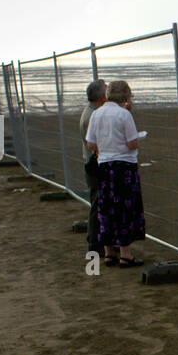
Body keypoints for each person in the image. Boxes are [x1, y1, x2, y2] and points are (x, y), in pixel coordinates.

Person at [84, 80, 145, 267]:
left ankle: (109, 252)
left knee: (106, 208)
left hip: (104, 166)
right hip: (124, 166)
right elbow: (132, 142)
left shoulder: (97, 114)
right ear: (126, 97)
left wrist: (105, 147)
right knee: (126, 208)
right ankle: (126, 254)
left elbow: (91, 143)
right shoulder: (124, 115)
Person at [79, 79, 108, 259]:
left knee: (97, 202)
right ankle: (95, 244)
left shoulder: (91, 112)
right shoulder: (92, 115)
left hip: (93, 163)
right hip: (95, 165)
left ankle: (97, 241)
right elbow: (95, 143)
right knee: (98, 204)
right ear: (101, 96)